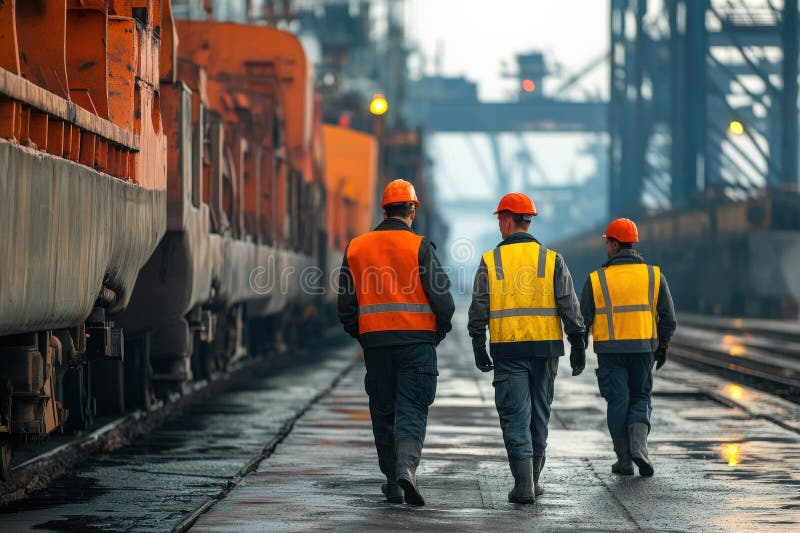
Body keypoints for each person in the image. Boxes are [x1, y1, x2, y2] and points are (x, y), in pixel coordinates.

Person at [338, 179, 455, 506]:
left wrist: (364, 335)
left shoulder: (357, 247)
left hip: (376, 346)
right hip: (417, 344)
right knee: (412, 408)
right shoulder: (419, 247)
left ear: (384, 209)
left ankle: (392, 481)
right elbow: (444, 303)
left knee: (383, 411)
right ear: (413, 210)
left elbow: (346, 307)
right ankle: (406, 468)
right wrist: (436, 334)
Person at [468, 192, 585, 504]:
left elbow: (479, 307)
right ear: (528, 220)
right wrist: (578, 343)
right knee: (538, 416)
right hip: (546, 352)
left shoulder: (491, 261)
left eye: (499, 221)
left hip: (508, 351)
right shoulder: (551, 259)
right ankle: (533, 480)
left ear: (507, 219)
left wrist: (478, 343)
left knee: (514, 416)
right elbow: (569, 306)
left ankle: (523, 486)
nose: (499, 227)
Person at [580, 218, 677, 477]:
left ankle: (624, 460)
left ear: (614, 243)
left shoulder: (597, 279)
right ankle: (639, 447)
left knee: (617, 402)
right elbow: (668, 318)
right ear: (632, 244)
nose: (606, 247)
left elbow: (583, 321)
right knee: (641, 398)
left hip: (610, 352)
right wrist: (663, 346)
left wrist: (578, 351)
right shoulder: (653, 275)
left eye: (607, 242)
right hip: (643, 350)